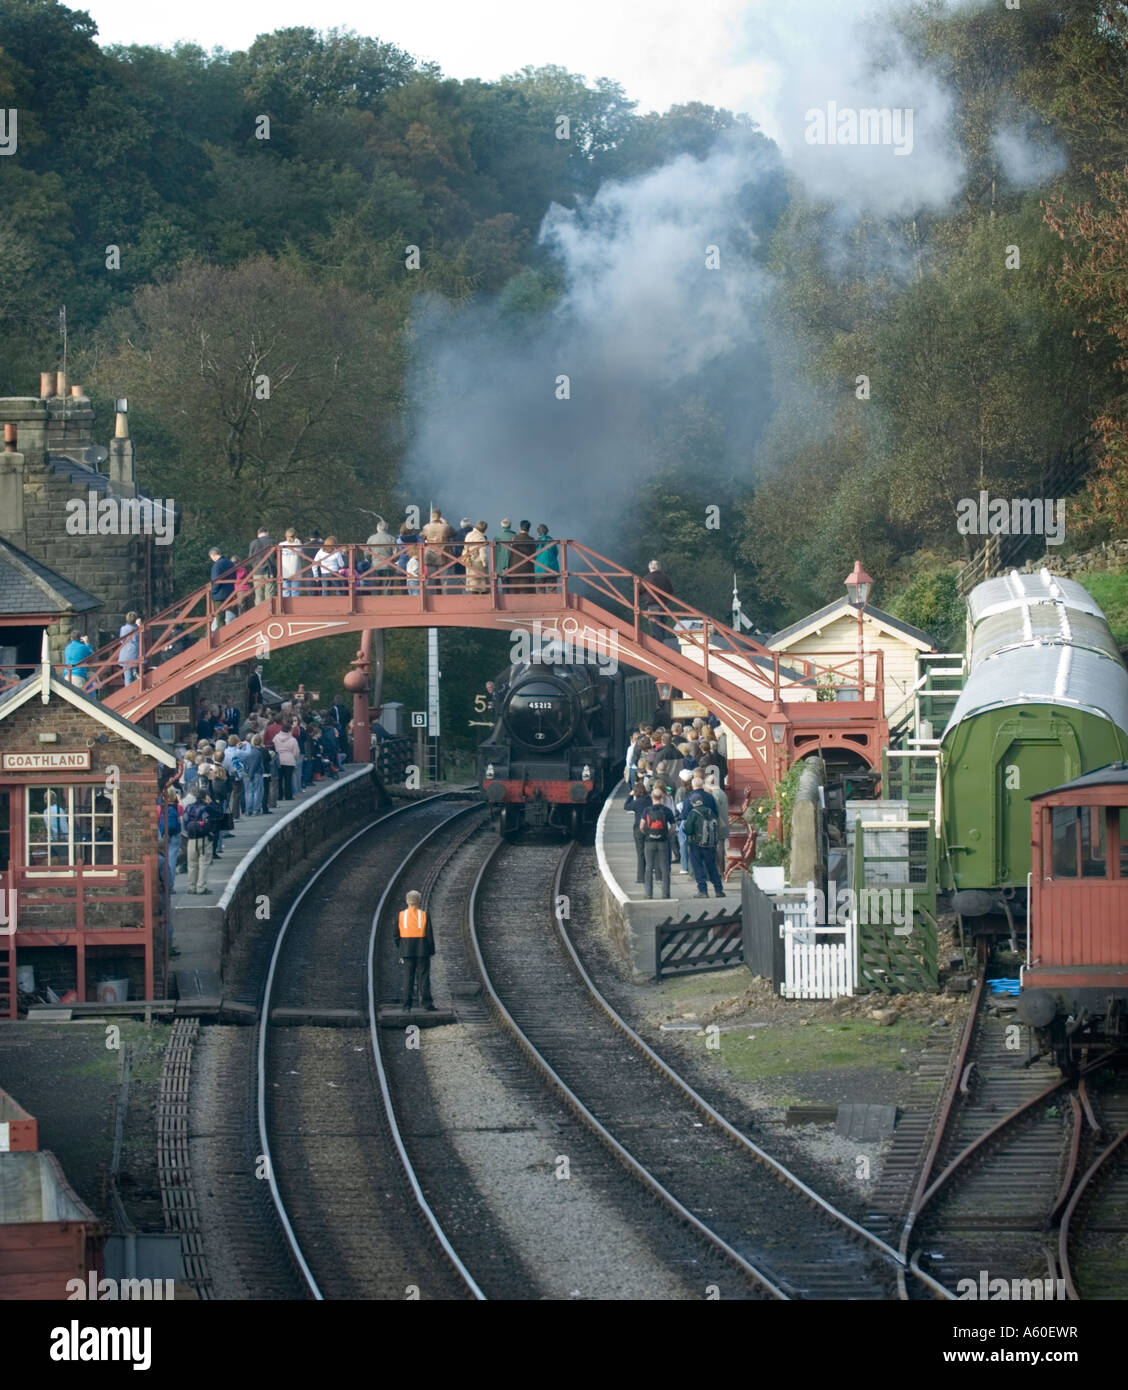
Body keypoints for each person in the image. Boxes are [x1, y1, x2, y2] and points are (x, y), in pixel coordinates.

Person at [682, 775, 726, 899]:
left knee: (698, 867)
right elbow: (716, 815)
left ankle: (703, 891)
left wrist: (686, 831)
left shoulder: (691, 804)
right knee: (711, 865)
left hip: (696, 842)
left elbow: (686, 822)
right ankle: (718, 889)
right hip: (710, 840)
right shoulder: (710, 798)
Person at [397, 888, 436, 1010]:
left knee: (408, 978)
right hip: (422, 950)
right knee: (423, 977)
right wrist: (431, 950)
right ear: (419, 901)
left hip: (407, 951)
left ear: (407, 901)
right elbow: (429, 935)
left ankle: (406, 1006)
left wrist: (402, 948)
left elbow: (395, 935)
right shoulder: (424, 915)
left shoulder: (401, 916)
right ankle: (426, 1004)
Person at [639, 788, 677, 899]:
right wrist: (667, 834)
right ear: (662, 798)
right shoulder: (667, 810)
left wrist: (647, 833)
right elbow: (674, 826)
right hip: (663, 842)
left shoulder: (647, 810)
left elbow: (641, 826)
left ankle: (648, 893)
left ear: (652, 797)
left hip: (649, 842)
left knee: (649, 867)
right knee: (665, 868)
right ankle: (665, 893)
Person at [182, 789, 217, 894]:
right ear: (205, 797)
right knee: (203, 864)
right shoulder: (207, 808)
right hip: (204, 838)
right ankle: (201, 887)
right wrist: (211, 802)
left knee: (192, 864)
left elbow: (184, 821)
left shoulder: (189, 808)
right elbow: (219, 813)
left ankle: (191, 887)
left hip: (192, 838)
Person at [623, 778, 651, 884]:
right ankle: (656, 875)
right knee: (651, 852)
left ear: (636, 792)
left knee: (640, 854)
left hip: (638, 829)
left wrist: (630, 795)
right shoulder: (650, 800)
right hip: (650, 829)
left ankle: (641, 878)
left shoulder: (637, 803)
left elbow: (626, 806)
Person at [420, 509, 454, 591]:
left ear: (432, 516)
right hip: (443, 556)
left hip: (430, 556)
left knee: (430, 579)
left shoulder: (426, 527)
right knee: (444, 581)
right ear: (440, 516)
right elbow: (454, 533)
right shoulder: (445, 527)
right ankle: (445, 598)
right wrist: (445, 523)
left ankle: (429, 598)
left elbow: (421, 536)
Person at [641, 559, 674, 639]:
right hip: (664, 605)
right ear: (659, 567)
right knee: (662, 627)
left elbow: (639, 590)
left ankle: (658, 646)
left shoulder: (647, 578)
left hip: (653, 606)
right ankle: (662, 643)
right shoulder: (665, 577)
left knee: (655, 627)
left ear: (650, 568)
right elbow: (671, 590)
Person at [366, 520, 396, 593]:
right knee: (387, 591)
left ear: (377, 528)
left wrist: (371, 561)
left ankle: (375, 604)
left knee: (375, 590)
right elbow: (396, 553)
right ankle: (388, 604)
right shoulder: (391, 538)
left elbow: (367, 554)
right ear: (387, 528)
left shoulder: (371, 538)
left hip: (375, 566)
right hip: (388, 566)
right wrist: (392, 561)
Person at [248, 527, 276, 604]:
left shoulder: (253, 543)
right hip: (270, 571)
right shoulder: (272, 542)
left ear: (258, 534)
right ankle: (269, 612)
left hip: (257, 572)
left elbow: (250, 558)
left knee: (259, 595)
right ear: (267, 532)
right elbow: (277, 556)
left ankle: (259, 613)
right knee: (270, 594)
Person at [209, 548, 235, 628]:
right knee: (231, 614)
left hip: (219, 594)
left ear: (213, 555)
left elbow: (215, 580)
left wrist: (213, 591)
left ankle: (223, 635)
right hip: (231, 592)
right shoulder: (230, 563)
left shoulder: (217, 565)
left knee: (220, 617)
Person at [508, 520, 536, 592]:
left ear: (520, 528)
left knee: (514, 593)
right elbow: (535, 554)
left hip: (514, 569)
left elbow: (508, 553)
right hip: (527, 570)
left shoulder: (513, 538)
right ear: (529, 529)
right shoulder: (532, 540)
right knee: (527, 593)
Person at [273, 723, 299, 799]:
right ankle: (288, 795)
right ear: (289, 730)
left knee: (280, 779)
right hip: (289, 760)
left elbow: (274, 747)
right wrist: (294, 758)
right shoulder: (292, 740)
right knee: (288, 779)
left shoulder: (276, 738)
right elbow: (296, 752)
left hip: (278, 759)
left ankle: (280, 795)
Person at [463, 521, 488, 593]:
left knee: (473, 585)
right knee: (481, 586)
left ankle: (474, 600)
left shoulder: (469, 535)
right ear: (484, 529)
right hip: (478, 563)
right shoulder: (481, 538)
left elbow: (465, 547)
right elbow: (483, 553)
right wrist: (485, 563)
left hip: (469, 561)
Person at [533, 524, 559, 593]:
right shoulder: (552, 541)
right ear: (547, 531)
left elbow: (532, 555)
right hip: (551, 569)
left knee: (540, 590)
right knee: (552, 590)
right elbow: (556, 553)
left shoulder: (535, 542)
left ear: (538, 532)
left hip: (539, 569)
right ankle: (553, 603)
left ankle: (541, 603)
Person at [117, 612, 141, 685]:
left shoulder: (123, 628)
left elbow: (121, 640)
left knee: (128, 677)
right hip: (136, 654)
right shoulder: (137, 629)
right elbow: (142, 637)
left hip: (126, 655)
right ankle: (135, 673)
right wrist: (140, 625)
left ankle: (129, 695)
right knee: (134, 675)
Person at [280, 528, 303, 597]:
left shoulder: (281, 545)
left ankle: (286, 608)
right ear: (295, 536)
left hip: (286, 573)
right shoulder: (298, 545)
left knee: (286, 593)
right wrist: (299, 542)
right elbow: (303, 554)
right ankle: (294, 608)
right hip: (295, 573)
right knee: (294, 593)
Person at [495, 518, 516, 590]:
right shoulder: (515, 536)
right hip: (513, 566)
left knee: (504, 586)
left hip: (500, 566)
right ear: (510, 526)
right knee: (512, 587)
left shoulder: (496, 537)